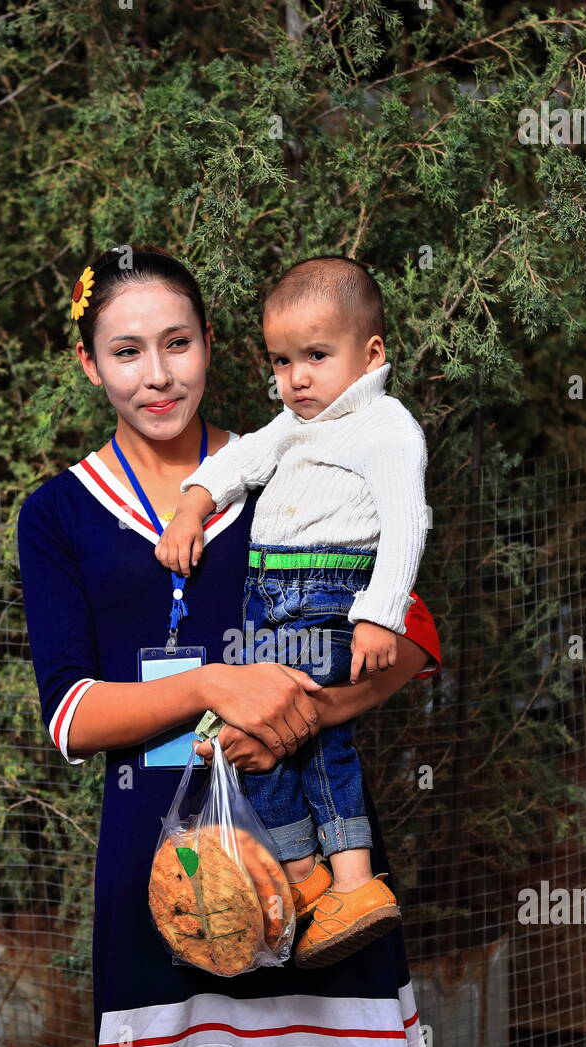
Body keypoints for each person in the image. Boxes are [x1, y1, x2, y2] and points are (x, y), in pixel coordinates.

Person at [16, 245, 442, 1047]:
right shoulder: (59, 514)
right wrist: (214, 687)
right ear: (89, 366)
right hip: (159, 861)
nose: (155, 373)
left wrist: (291, 712)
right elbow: (71, 715)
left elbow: (411, 639)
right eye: (126, 351)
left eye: (177, 343)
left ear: (213, 349)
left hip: (294, 841)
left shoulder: (293, 459)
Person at [156, 255, 427, 969]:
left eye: (315, 356)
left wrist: (378, 613)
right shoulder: (295, 424)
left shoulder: (384, 425)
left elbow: (406, 524)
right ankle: (304, 878)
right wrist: (193, 504)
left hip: (329, 597)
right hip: (268, 604)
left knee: (314, 737)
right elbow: (237, 463)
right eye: (282, 361)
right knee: (261, 741)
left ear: (370, 355)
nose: (296, 377)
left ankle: (355, 882)